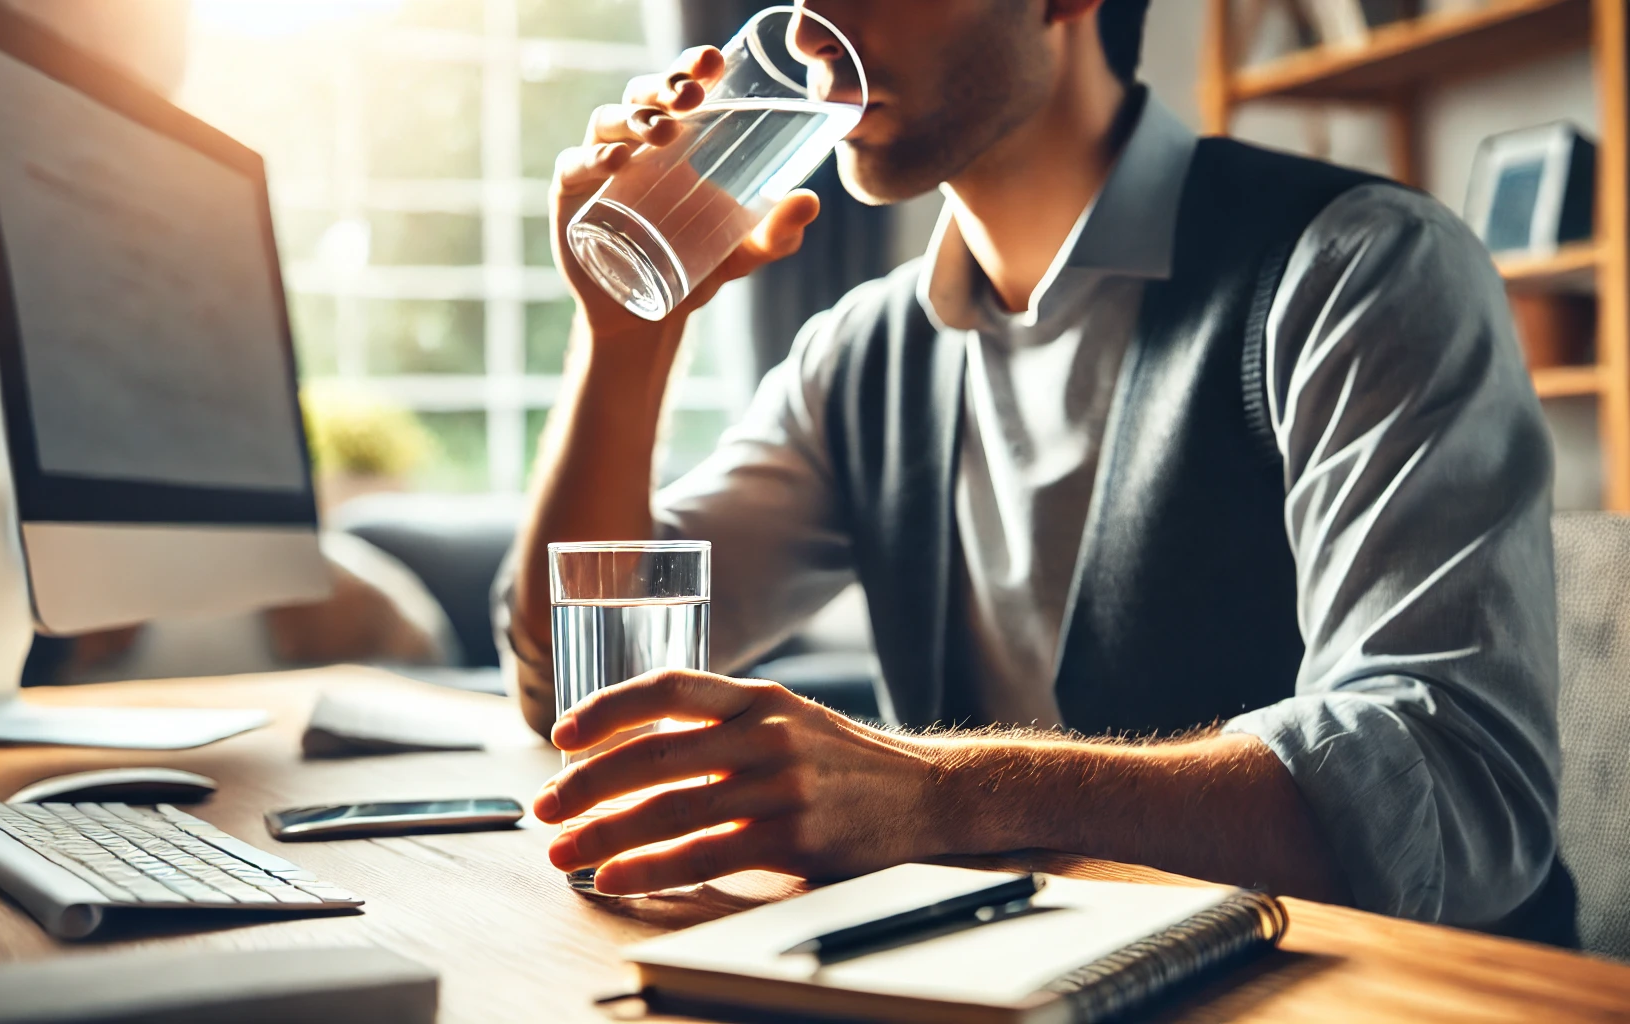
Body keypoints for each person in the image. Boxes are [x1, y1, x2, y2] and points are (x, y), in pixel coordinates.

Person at [496, 0, 1559, 927]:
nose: (812, 28)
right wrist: (626, 337)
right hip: (999, 982)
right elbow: (575, 687)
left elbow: (1457, 785)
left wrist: (941, 793)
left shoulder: (1360, 271)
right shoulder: (858, 353)